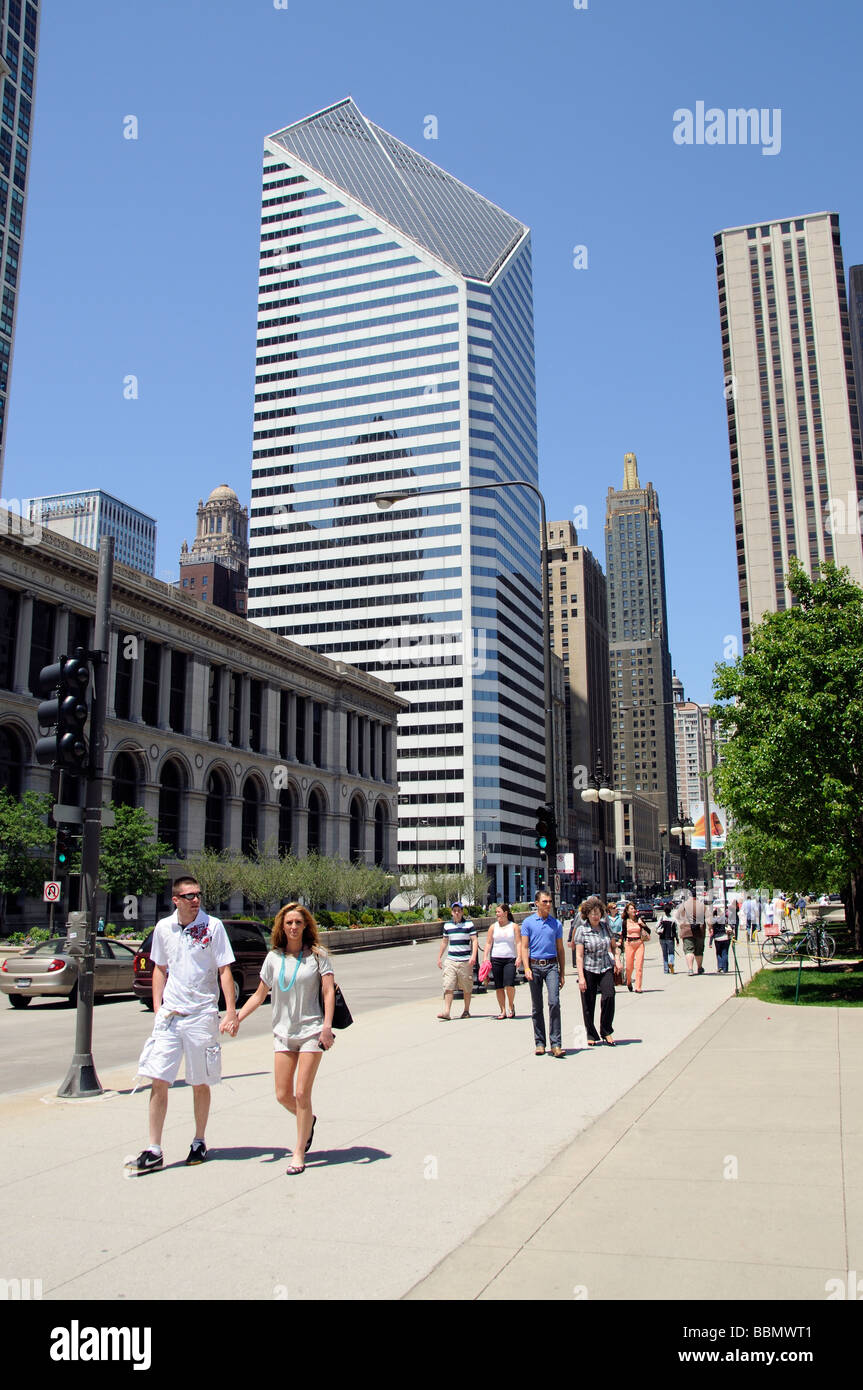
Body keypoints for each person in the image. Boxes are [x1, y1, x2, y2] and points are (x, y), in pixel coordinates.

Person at [129, 877, 237, 1174]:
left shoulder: (212, 927)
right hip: (171, 1016)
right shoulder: (163, 928)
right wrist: (157, 1007)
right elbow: (160, 969)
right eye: (189, 896)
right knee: (158, 1078)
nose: (195, 900)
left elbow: (225, 970)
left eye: (198, 895)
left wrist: (230, 1012)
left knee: (200, 1081)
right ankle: (154, 1148)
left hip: (202, 1014)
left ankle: (199, 1140)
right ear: (175, 899)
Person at [230, 903, 334, 1176]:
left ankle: (298, 1152)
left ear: (306, 926)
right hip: (283, 1033)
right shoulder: (274, 958)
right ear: (281, 927)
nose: (293, 927)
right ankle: (308, 1120)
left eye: (298, 922)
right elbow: (258, 994)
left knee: (301, 1093)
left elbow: (328, 993)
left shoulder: (318, 956)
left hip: (311, 1031)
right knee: (282, 1094)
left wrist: (326, 1027)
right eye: (289, 923)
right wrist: (238, 1017)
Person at [518, 889, 566, 1057]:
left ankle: (556, 1043)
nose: (548, 904)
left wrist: (562, 972)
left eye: (550, 902)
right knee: (537, 1006)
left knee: (554, 1003)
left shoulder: (556, 924)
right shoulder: (528, 923)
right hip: (535, 966)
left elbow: (560, 949)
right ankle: (540, 1042)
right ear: (536, 903)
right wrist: (527, 968)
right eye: (545, 902)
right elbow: (524, 947)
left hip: (552, 965)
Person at [574, 897, 620, 1045]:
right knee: (588, 1002)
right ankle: (591, 1033)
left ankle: (606, 1030)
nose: (596, 916)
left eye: (598, 913)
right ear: (587, 914)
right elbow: (579, 956)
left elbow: (613, 946)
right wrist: (581, 977)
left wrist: (617, 960)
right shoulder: (582, 930)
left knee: (609, 995)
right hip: (588, 967)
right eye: (593, 913)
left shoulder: (605, 927)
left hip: (605, 965)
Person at [437, 901, 477, 1020]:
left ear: (462, 912)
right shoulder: (447, 926)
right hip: (451, 960)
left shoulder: (469, 925)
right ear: (452, 912)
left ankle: (466, 1010)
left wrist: (473, 956)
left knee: (466, 987)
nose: (457, 913)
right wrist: (439, 957)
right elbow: (444, 941)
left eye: (459, 911)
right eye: (455, 911)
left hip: (465, 960)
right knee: (448, 985)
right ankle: (447, 1011)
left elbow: (474, 940)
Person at [482, 902, 518, 1019]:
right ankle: (502, 1010)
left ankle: (511, 1006)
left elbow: (519, 943)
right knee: (499, 987)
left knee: (509, 985)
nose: (497, 914)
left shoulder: (513, 926)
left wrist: (519, 957)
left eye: (499, 912)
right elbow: (488, 943)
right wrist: (485, 958)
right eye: (496, 912)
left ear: (505, 913)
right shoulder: (493, 927)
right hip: (496, 959)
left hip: (510, 959)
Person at [621, 900, 648, 992]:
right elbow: (623, 934)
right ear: (627, 911)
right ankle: (628, 981)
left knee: (639, 965)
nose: (634, 910)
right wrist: (620, 944)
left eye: (634, 908)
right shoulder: (625, 922)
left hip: (639, 943)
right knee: (629, 967)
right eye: (631, 909)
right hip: (629, 944)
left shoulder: (639, 919)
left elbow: (648, 931)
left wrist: (643, 925)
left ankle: (638, 987)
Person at [709, 903, 730, 973]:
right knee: (725, 953)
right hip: (725, 937)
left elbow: (712, 933)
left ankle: (720, 966)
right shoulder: (724, 919)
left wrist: (710, 942)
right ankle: (725, 968)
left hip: (717, 939)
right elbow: (730, 927)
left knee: (718, 953)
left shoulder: (713, 921)